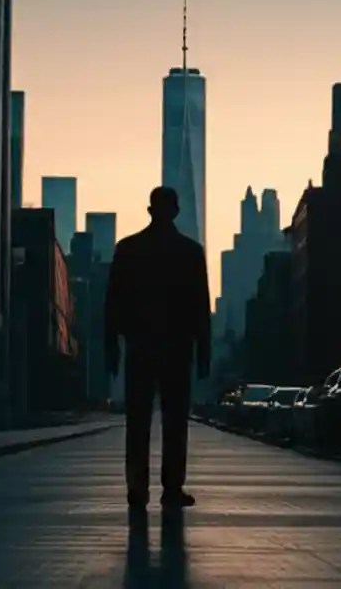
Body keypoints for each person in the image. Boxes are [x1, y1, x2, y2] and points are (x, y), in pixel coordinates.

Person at [104, 186, 211, 509]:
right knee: (174, 423)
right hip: (176, 349)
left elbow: (112, 304)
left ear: (151, 210)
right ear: (175, 211)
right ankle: (171, 488)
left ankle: (139, 489)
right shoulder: (191, 252)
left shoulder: (128, 249)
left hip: (142, 347)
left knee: (138, 423)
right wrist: (203, 352)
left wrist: (112, 345)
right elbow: (200, 307)